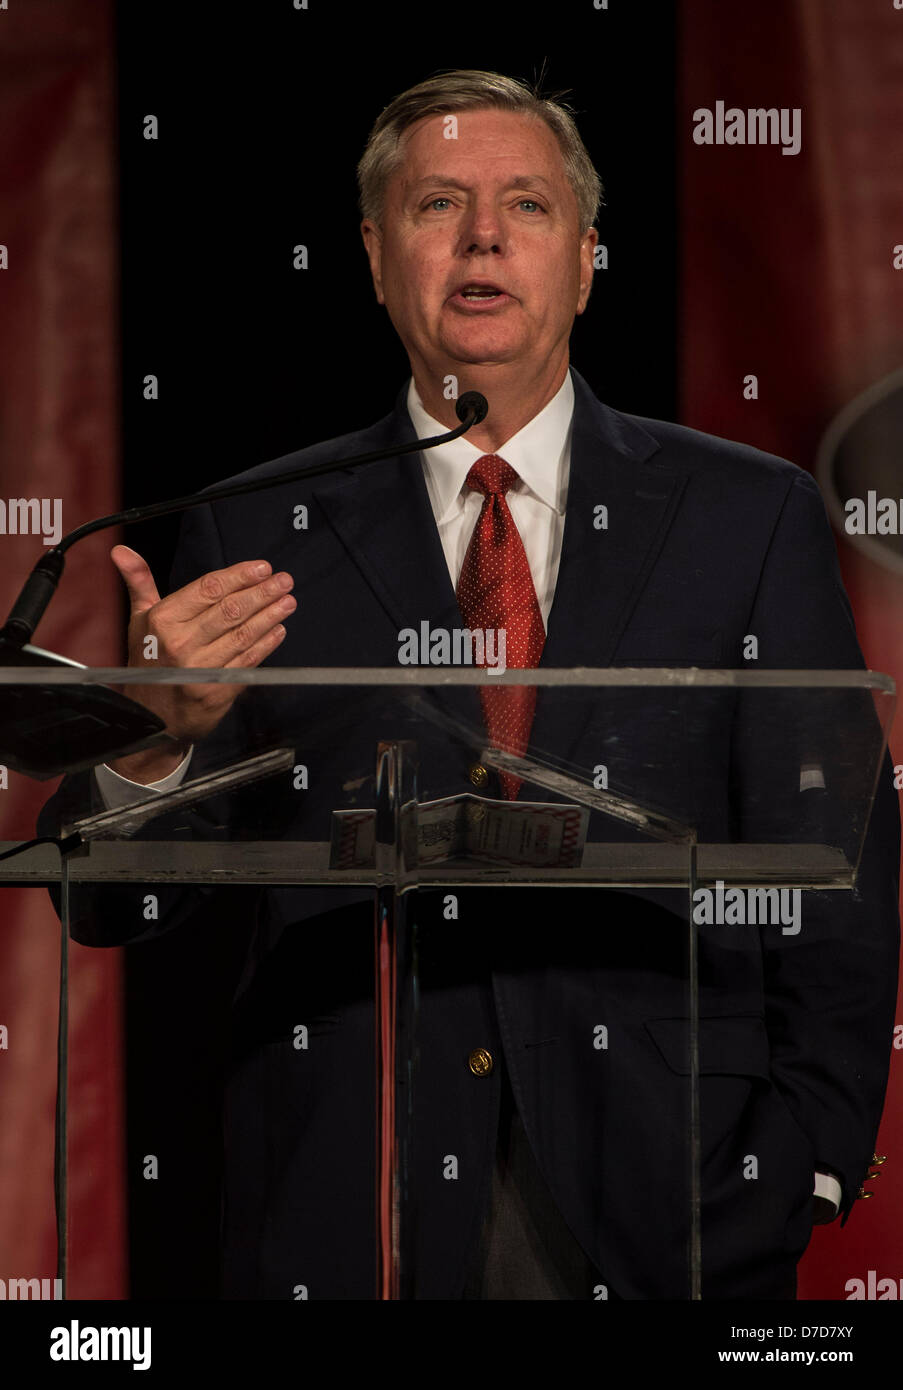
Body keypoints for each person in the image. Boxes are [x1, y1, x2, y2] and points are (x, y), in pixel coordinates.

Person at [41, 69, 900, 1299]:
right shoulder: (250, 526)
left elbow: (842, 849)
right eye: (439, 204)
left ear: (589, 259)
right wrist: (154, 741)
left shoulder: (745, 515)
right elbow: (113, 908)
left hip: (675, 1198)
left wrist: (809, 1155)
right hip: (349, 1198)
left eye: (527, 206)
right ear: (377, 258)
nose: (484, 235)